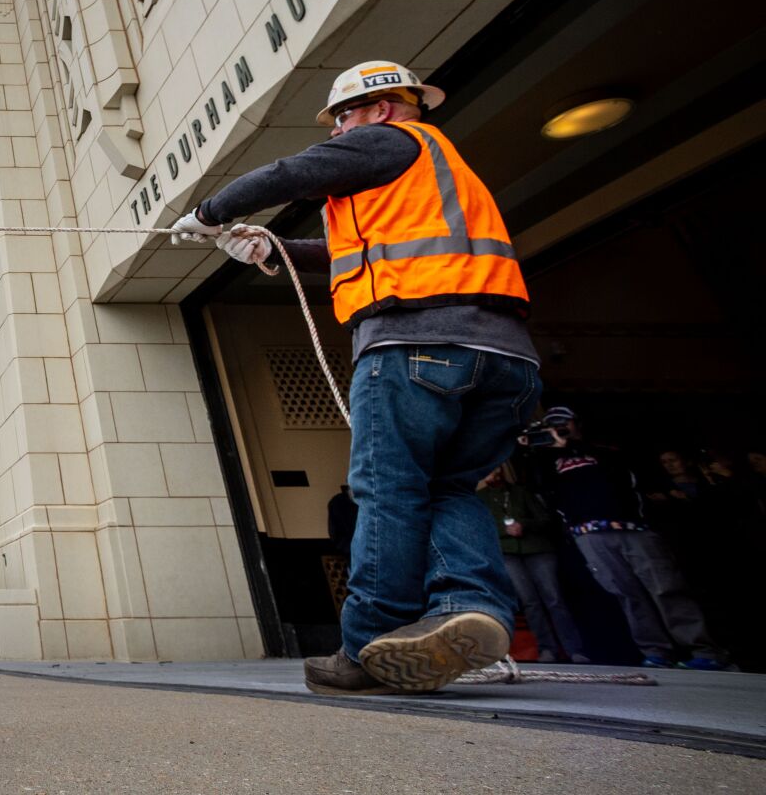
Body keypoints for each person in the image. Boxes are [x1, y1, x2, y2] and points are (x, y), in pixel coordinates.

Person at [174, 61, 538, 695]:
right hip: (505, 356)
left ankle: (367, 643)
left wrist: (209, 212)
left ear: (382, 107)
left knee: (387, 489)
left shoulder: (387, 141)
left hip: (414, 346)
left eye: (343, 115)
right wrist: (273, 250)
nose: (338, 131)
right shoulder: (433, 171)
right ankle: (467, 610)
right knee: (449, 487)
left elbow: (292, 172)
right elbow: (360, 254)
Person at [530, 407, 733, 670]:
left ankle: (703, 650)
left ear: (576, 423)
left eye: (563, 422)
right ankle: (655, 650)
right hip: (588, 534)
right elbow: (540, 486)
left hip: (632, 528)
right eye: (552, 423)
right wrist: (547, 449)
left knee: (666, 588)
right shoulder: (550, 460)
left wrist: (575, 445)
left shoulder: (605, 451)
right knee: (626, 594)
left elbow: (626, 473)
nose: (559, 427)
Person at [478, 467, 588, 663]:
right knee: (530, 602)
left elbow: (545, 519)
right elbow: (480, 528)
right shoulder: (480, 498)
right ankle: (547, 649)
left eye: (496, 470)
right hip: (507, 552)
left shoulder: (521, 492)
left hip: (538, 549)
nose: (493, 475)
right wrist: (504, 531)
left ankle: (575, 649)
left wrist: (524, 525)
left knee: (554, 599)